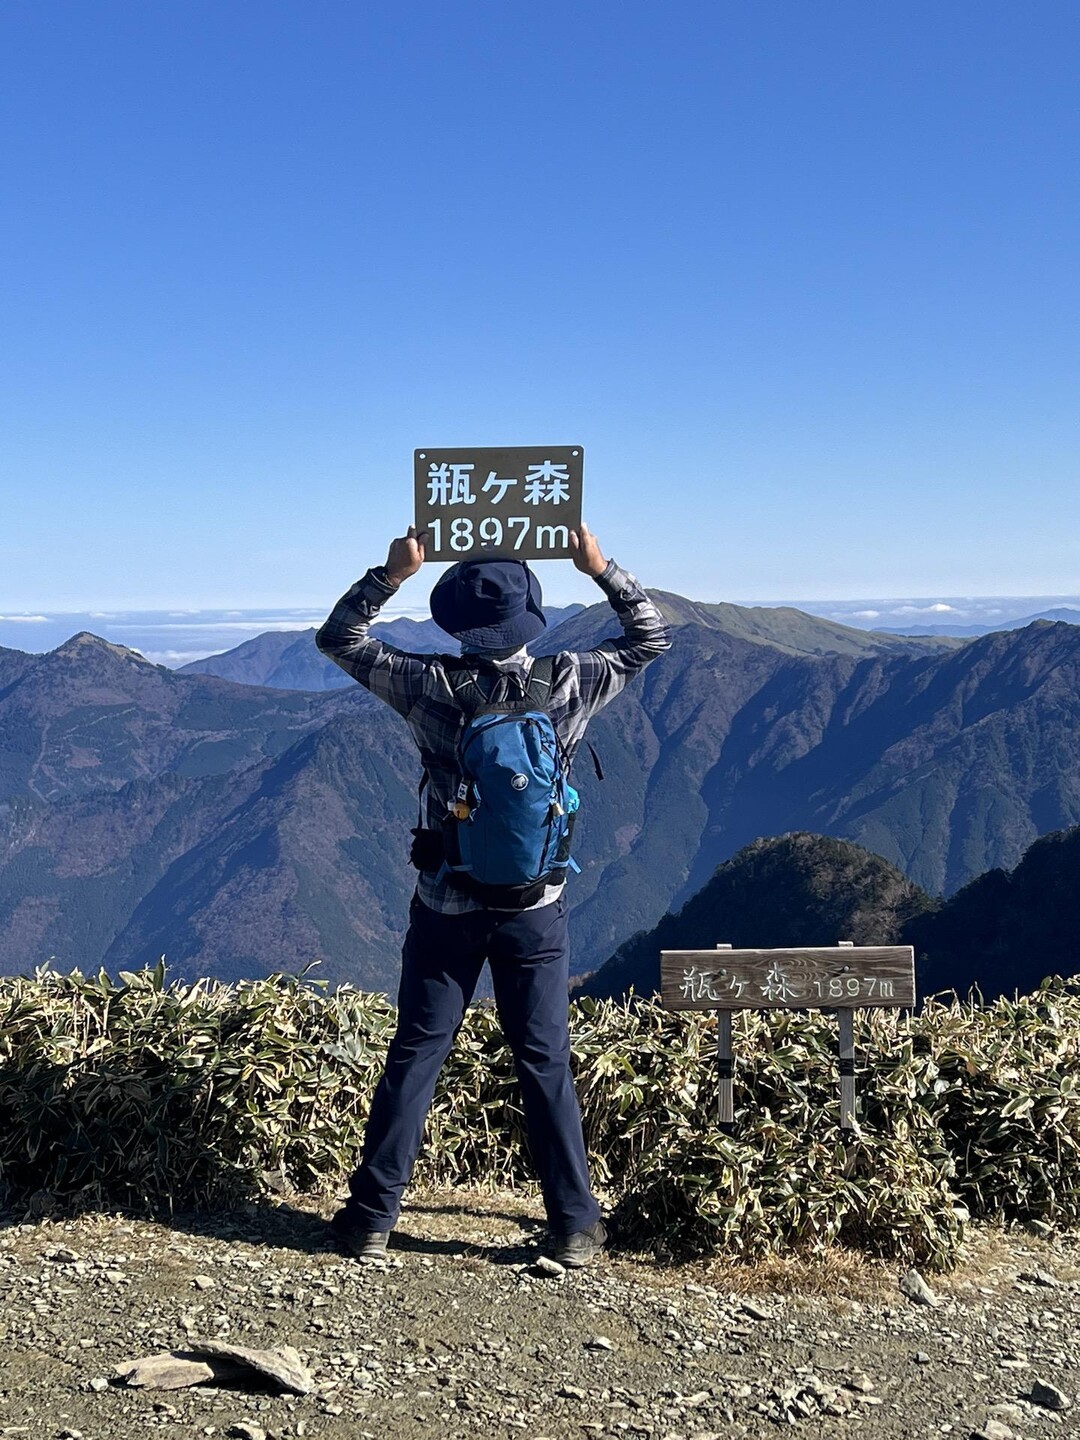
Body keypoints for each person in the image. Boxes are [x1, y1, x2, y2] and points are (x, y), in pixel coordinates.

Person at [314, 522, 671, 1266]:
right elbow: (649, 638)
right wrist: (600, 569)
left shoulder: (429, 684)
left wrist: (390, 576)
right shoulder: (571, 679)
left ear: (453, 618)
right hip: (535, 905)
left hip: (446, 899)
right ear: (531, 617)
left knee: (417, 1053)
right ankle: (573, 1223)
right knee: (544, 1059)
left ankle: (371, 1218)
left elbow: (339, 640)